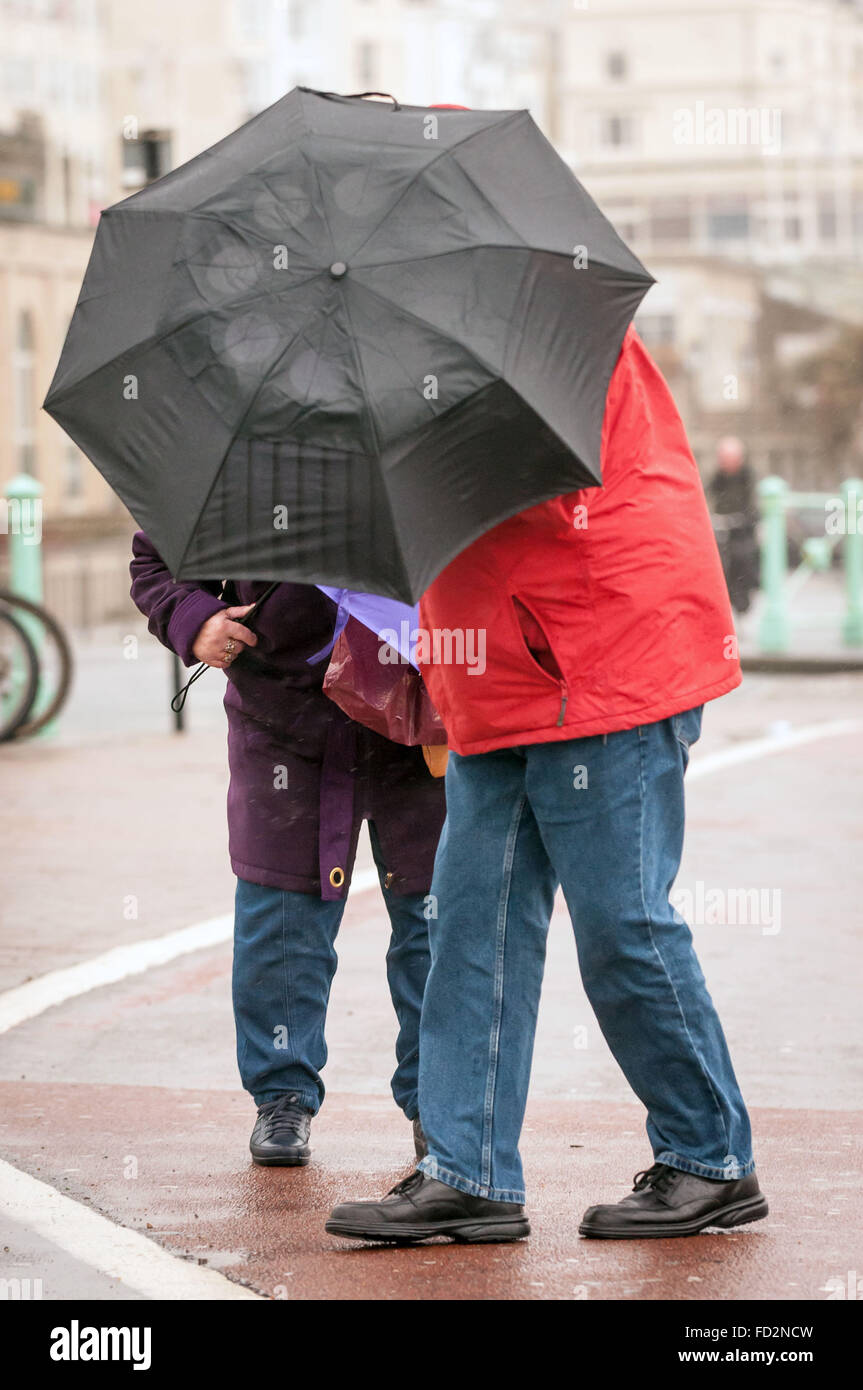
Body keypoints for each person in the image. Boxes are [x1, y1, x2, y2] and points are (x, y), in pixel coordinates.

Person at [326, 323, 768, 1244]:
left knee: (621, 922)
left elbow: (515, 477)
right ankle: (468, 1172)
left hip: (604, 655)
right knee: (471, 922)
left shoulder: (545, 330)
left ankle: (708, 1159)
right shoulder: (425, 347)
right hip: (501, 668)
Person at [130, 534, 446, 1165]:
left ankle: (440, 1102)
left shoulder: (434, 441)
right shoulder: (241, 450)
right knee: (281, 914)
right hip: (282, 718)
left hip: (423, 709)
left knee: (433, 918)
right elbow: (156, 557)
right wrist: (195, 618)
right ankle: (282, 1096)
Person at [708, 435, 760, 614]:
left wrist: (738, 520)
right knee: (719, 570)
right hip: (722, 534)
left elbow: (754, 508)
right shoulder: (717, 478)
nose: (725, 463)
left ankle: (741, 606)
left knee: (742, 566)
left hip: (743, 535)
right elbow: (708, 496)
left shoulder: (748, 477)